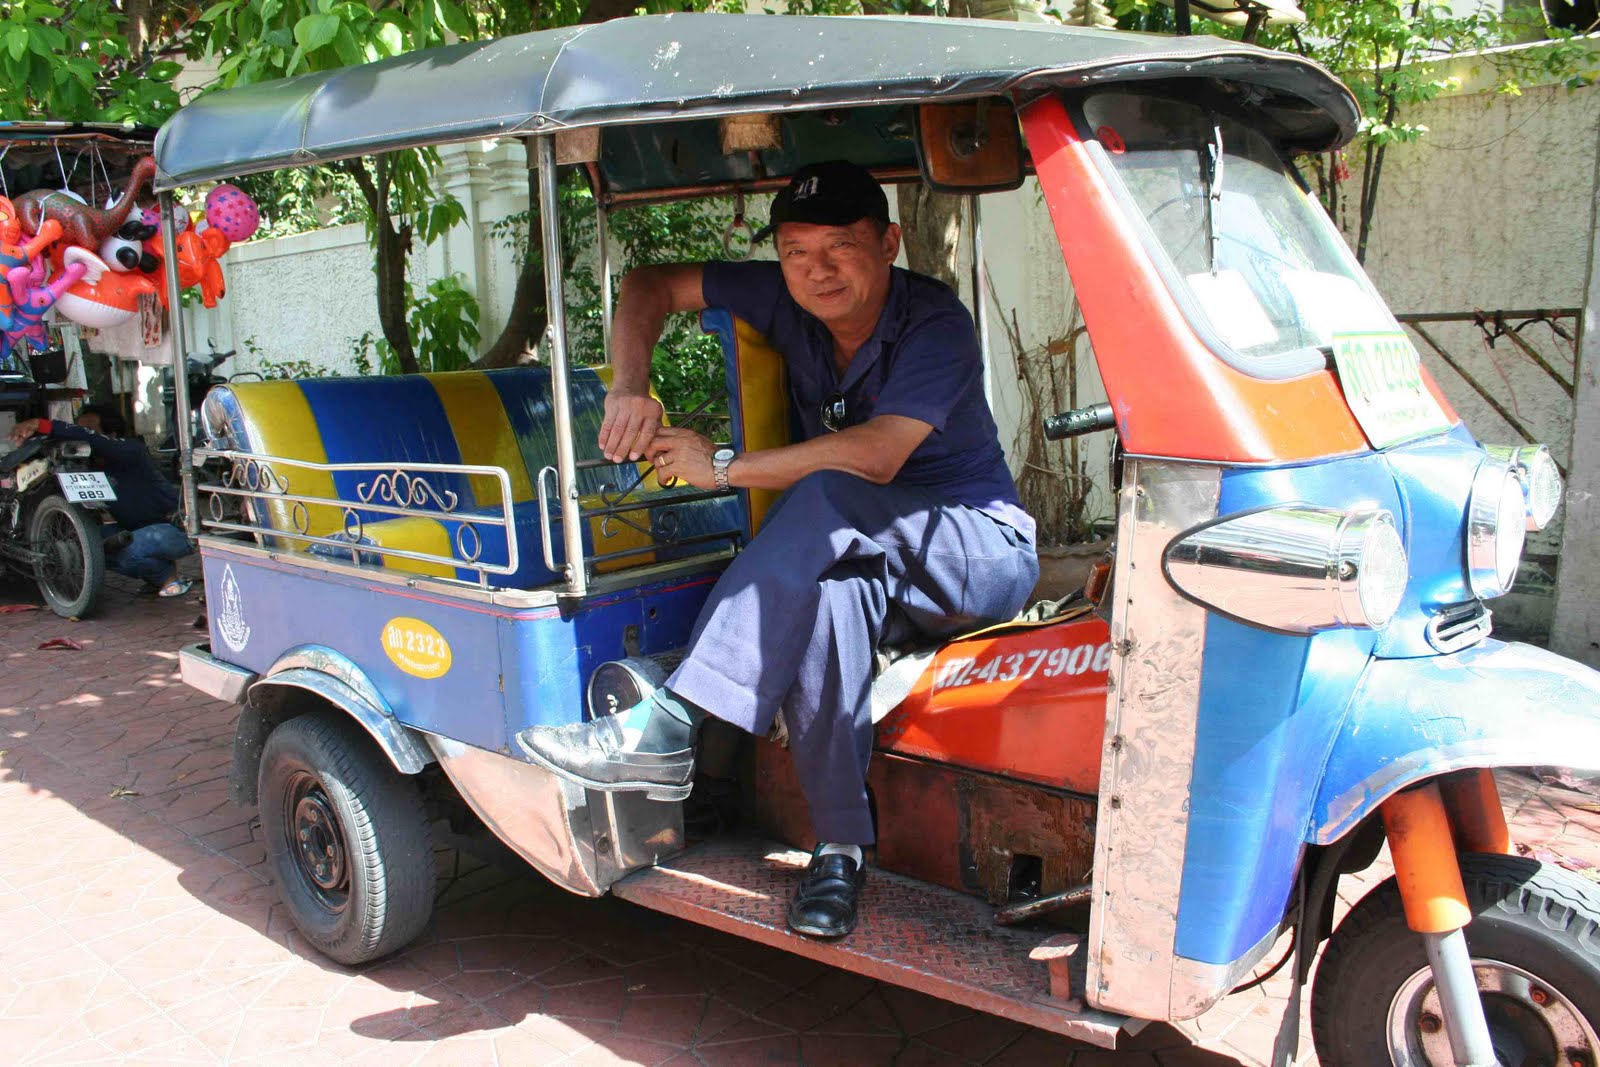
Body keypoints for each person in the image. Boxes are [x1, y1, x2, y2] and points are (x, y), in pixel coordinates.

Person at [516, 161, 1038, 939]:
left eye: (840, 246)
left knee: (827, 490)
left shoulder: (934, 322)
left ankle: (671, 718)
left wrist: (723, 466)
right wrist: (630, 384)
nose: (816, 269)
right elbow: (651, 284)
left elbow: (874, 458)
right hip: (866, 557)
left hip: (972, 548)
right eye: (796, 251)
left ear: (889, 243)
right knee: (830, 600)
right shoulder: (782, 296)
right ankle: (840, 850)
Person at [8, 404, 193, 597]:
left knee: (109, 550)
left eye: (88, 431)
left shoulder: (132, 451)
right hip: (139, 529)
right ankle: (162, 576)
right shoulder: (91, 466)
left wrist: (42, 424)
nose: (80, 436)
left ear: (111, 434)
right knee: (83, 545)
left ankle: (167, 577)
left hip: (177, 528)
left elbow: (93, 440)